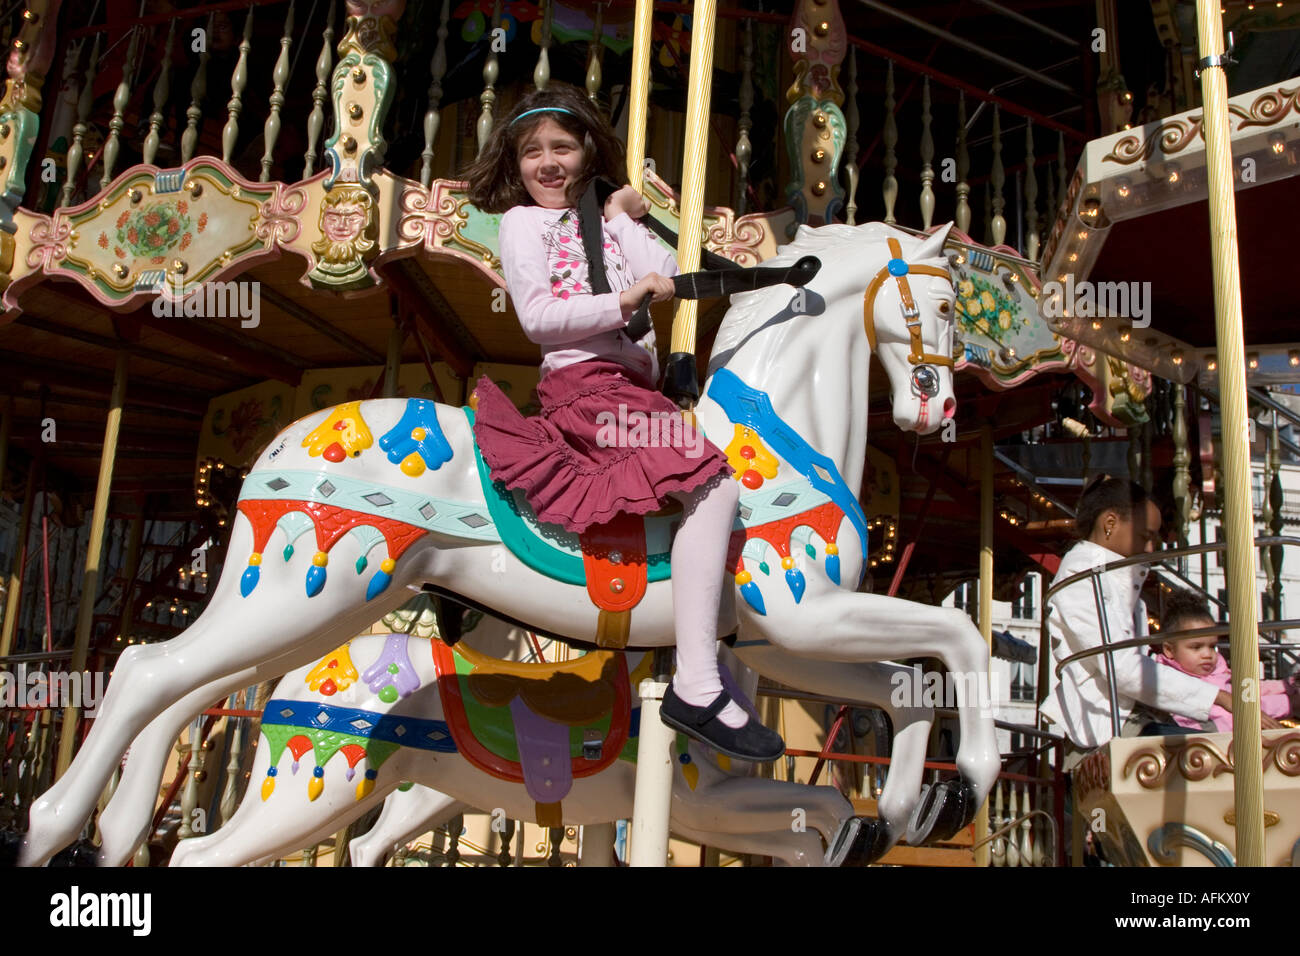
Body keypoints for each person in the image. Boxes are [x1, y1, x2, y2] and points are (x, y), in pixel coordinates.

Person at [461, 83, 785, 762]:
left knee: (708, 481)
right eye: (532, 152)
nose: (547, 163)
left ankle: (690, 649)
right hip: (585, 392)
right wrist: (623, 300)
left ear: (588, 152)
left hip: (627, 392)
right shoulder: (523, 223)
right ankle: (696, 681)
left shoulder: (604, 222)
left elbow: (663, 277)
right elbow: (539, 319)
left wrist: (623, 217)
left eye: (563, 146)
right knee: (715, 482)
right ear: (515, 163)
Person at [1039, 477, 1229, 751]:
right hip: (1107, 722)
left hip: (1128, 715)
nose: (1151, 549)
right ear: (1110, 524)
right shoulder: (1082, 576)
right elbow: (1122, 667)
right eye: (1145, 536)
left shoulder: (1116, 579)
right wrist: (1216, 697)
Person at [1155, 590, 1290, 733]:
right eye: (1196, 647)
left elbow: (1251, 693)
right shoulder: (1170, 682)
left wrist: (1288, 692)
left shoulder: (1219, 676)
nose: (1207, 654)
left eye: (1212, 646)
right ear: (1169, 650)